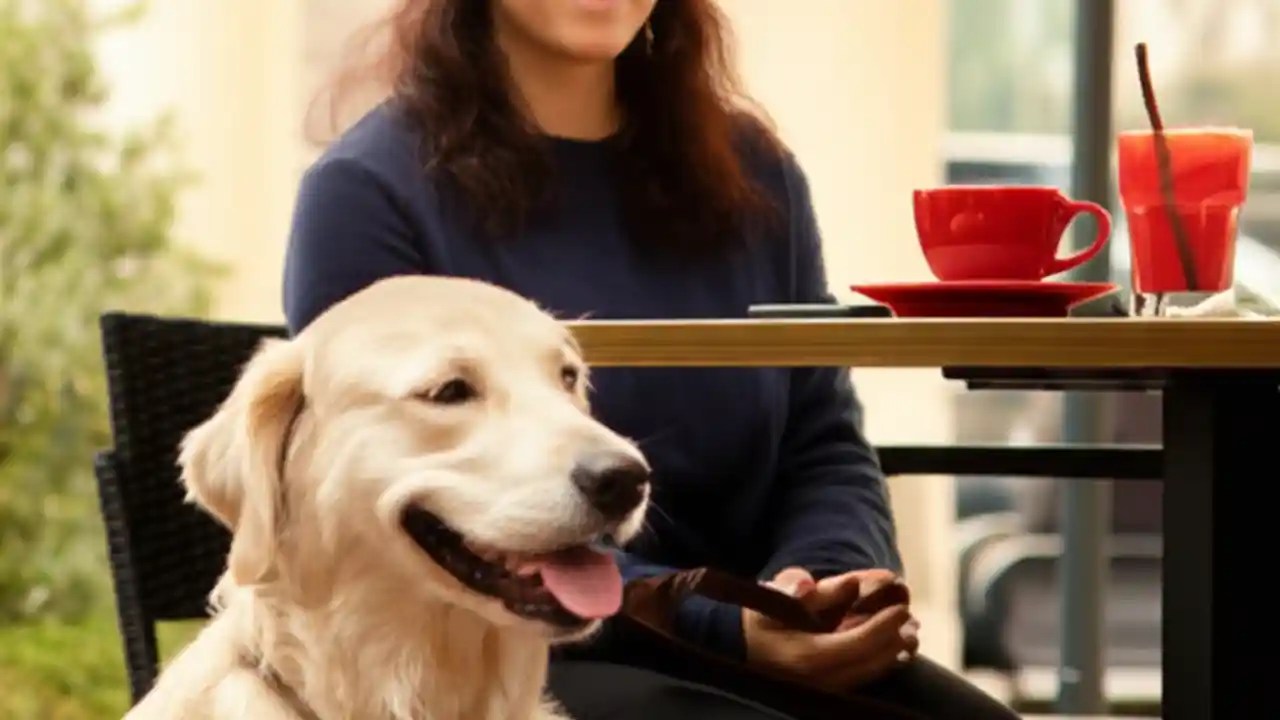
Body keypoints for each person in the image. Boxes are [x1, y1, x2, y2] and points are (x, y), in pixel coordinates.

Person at [283, 1, 1018, 718]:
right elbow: (370, 502)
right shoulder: (369, 193)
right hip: (513, 657)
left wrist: (817, 590)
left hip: (760, 635)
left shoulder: (757, 176)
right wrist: (719, 626)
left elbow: (820, 435)